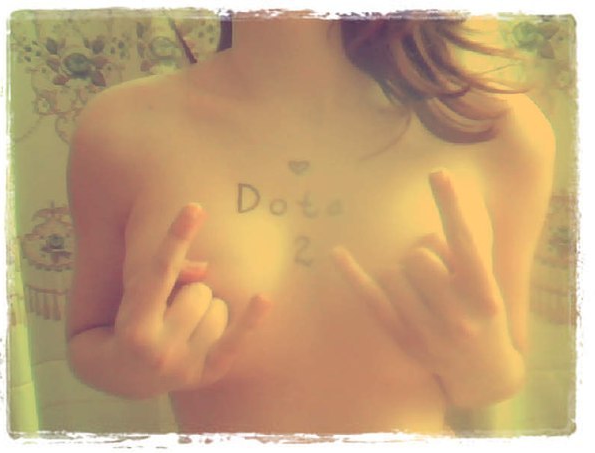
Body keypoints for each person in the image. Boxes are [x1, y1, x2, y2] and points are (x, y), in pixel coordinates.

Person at [66, 10, 555, 434]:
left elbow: (501, 374)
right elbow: (87, 340)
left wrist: (481, 365)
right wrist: (130, 367)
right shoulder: (124, 127)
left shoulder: (500, 130)